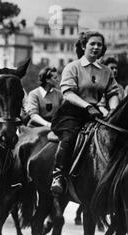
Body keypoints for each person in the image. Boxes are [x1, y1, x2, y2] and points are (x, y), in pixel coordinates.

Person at [50, 31, 120, 195]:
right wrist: (87, 106)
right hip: (71, 113)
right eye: (92, 44)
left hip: (95, 114)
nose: (96, 47)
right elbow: (68, 93)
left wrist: (114, 111)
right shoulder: (72, 67)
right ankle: (58, 175)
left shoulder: (106, 71)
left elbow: (113, 94)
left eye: (99, 45)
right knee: (69, 137)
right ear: (83, 46)